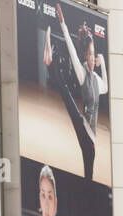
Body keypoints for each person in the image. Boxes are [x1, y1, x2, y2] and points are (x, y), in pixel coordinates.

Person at [43, 6, 108, 180]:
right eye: (89, 54)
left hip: (91, 140)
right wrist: (62, 23)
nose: (92, 58)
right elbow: (71, 49)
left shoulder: (97, 80)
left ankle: (50, 63)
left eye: (94, 55)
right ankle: (50, 63)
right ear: (85, 56)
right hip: (83, 126)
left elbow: (106, 88)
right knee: (68, 99)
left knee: (89, 172)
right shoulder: (82, 73)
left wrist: (104, 65)